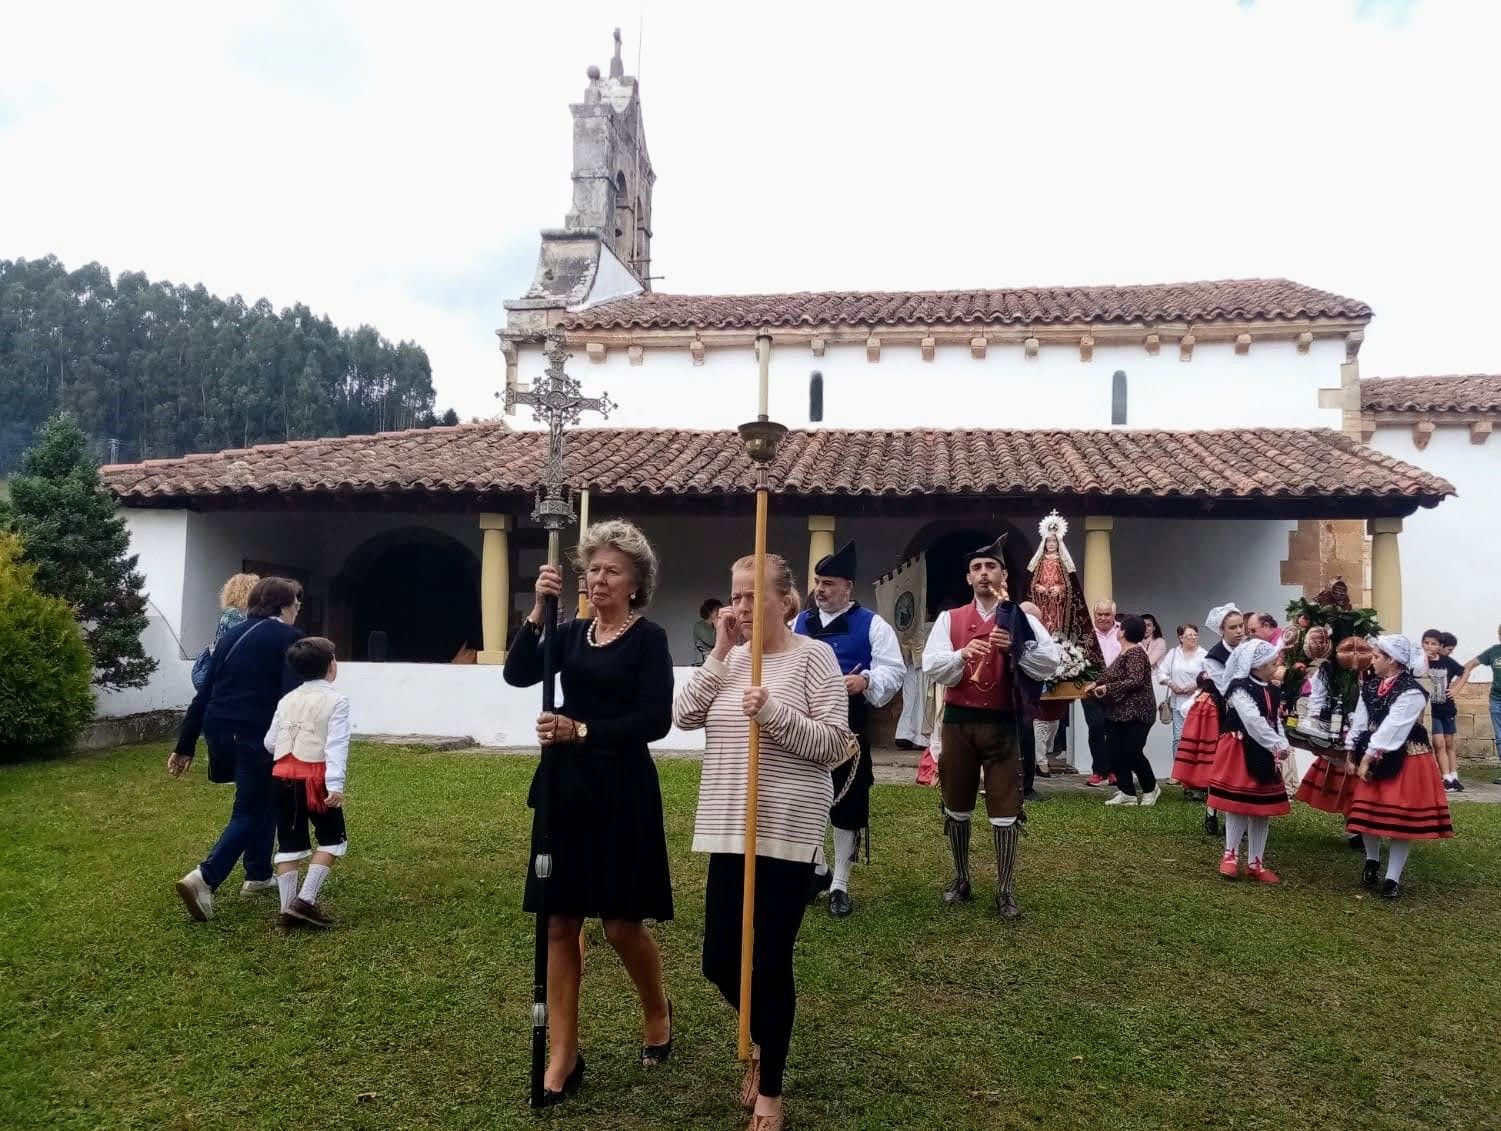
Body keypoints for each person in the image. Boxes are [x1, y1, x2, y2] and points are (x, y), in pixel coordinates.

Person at [673, 552, 853, 1131]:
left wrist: (772, 712)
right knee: (720, 960)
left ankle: (770, 1085)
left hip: (788, 829)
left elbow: (834, 745)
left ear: (784, 600)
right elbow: (684, 715)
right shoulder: (732, 660)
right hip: (729, 825)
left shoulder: (814, 658)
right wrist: (723, 652)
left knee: (770, 961)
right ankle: (759, 1037)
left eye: (752, 596)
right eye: (735, 595)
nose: (740, 607)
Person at [503, 520, 676, 1104]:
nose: (598, 580)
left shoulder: (648, 639)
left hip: (622, 786)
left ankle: (657, 1008)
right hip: (565, 788)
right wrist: (536, 611)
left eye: (612, 571)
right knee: (558, 922)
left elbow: (656, 721)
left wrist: (583, 728)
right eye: (592, 569)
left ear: (636, 582)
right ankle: (563, 1053)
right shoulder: (570, 632)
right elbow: (519, 672)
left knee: (622, 922)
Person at [921, 535, 1060, 920]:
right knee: (957, 803)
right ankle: (961, 878)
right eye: (977, 569)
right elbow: (932, 665)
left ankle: (1005, 889)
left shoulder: (1022, 618)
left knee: (1005, 808)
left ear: (1003, 574)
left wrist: (1017, 646)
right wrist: (962, 654)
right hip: (959, 722)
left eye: (990, 567)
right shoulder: (951, 619)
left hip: (1003, 724)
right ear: (968, 578)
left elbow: (1051, 662)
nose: (984, 574)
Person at [170, 577, 305, 921]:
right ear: (282, 606)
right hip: (256, 734)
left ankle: (258, 874)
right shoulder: (289, 638)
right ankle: (204, 878)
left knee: (262, 799)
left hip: (220, 732)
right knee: (252, 809)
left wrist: (185, 746)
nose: (298, 608)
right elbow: (292, 698)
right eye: (295, 603)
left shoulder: (230, 636)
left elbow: (204, 692)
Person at [793, 541, 904, 918]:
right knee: (806, 798)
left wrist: (866, 681)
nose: (820, 590)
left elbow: (894, 670)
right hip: (803, 723)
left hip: (847, 725)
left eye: (828, 583)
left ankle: (840, 881)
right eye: (817, 582)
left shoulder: (871, 624)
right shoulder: (800, 622)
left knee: (847, 799)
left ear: (847, 588)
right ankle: (818, 869)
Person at [1347, 635, 1455, 899]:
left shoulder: (1412, 691)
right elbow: (1361, 720)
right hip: (1371, 749)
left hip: (1407, 756)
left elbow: (1394, 727)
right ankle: (1372, 859)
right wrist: (1351, 750)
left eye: (1376, 657)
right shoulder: (1370, 687)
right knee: (1368, 813)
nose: (1371, 661)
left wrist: (1368, 757)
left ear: (1392, 660)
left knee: (1400, 819)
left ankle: (1392, 877)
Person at [264, 636, 351, 929]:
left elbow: (269, 742)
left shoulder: (286, 699)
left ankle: (286, 910)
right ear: (330, 666)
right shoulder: (336, 701)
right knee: (333, 840)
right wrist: (336, 785)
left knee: (289, 845)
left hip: (281, 778)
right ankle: (305, 900)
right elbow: (336, 745)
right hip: (316, 780)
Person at [1208, 639, 1293, 882]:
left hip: (1264, 748)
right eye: (1270, 662)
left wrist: (1282, 743)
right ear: (1257, 666)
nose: (1275, 664)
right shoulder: (1239, 688)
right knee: (1238, 804)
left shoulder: (1273, 690)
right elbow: (1252, 720)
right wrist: (1275, 744)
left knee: (1261, 808)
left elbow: (1274, 720)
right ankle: (1230, 855)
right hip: (1240, 746)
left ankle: (1256, 862)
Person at [1172, 603, 1244, 835]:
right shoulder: (1215, 654)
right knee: (1218, 763)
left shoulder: (1246, 649)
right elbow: (1226, 688)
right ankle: (1212, 813)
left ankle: (1233, 816)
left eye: (1241, 626)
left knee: (1234, 766)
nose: (1239, 631)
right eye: (1233, 627)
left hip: (1239, 710)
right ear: (1222, 630)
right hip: (1216, 710)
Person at [1090, 614, 1160, 806]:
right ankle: (1126, 792)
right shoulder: (1123, 653)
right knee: (1114, 753)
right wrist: (1095, 682)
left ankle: (1150, 788)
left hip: (1137, 713)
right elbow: (1107, 674)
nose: (1117, 630)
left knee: (1132, 752)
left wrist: (1108, 688)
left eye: (1120, 627)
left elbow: (1135, 680)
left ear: (1123, 632)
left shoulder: (1136, 653)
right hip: (1118, 713)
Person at [191, 572, 260, 689]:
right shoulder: (235, 614)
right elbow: (240, 645)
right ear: (247, 592)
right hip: (229, 673)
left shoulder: (234, 613)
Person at [1453, 622, 1501, 785]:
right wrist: (1457, 678)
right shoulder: (1494, 651)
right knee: (1500, 738)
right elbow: (1471, 664)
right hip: (1496, 699)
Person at [1082, 599, 1121, 787]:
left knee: (1114, 731)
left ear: (1114, 615)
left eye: (1107, 614)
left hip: (1115, 690)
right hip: (1090, 689)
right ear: (1094, 614)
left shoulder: (1123, 632)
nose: (1103, 618)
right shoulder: (1085, 634)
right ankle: (1099, 771)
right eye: (1099, 614)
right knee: (1096, 728)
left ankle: (1114, 770)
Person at [1421, 629, 1464, 793]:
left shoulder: (1447, 661)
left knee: (1449, 743)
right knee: (1438, 744)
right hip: (1433, 709)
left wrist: (1457, 688)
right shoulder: (1421, 662)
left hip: (1447, 708)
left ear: (1439, 646)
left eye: (1433, 644)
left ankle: (1453, 777)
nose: (1430, 647)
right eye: (1426, 643)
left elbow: (1464, 671)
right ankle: (1445, 777)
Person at [1158, 624, 1205, 757]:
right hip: (1177, 702)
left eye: (1195, 635)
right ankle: (1177, 773)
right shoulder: (1173, 653)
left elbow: (1210, 677)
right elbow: (1162, 673)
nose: (1193, 638)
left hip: (1197, 702)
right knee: (1178, 738)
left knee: (1197, 738)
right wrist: (1171, 684)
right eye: (1189, 635)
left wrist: (1196, 684)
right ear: (1181, 637)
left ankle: (1194, 774)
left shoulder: (1204, 655)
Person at [694, 598, 723, 664]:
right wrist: (717, 626)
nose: (720, 612)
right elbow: (712, 642)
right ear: (710, 612)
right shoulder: (699, 626)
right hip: (704, 662)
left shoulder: (720, 624)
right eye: (718, 610)